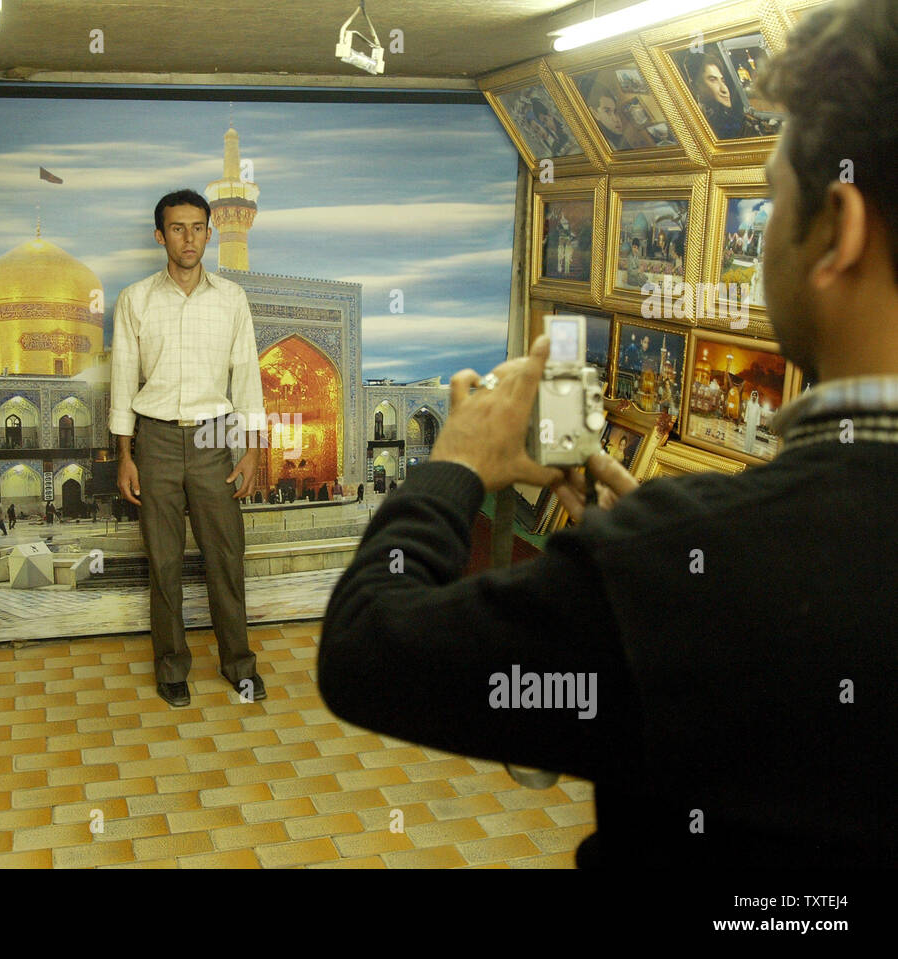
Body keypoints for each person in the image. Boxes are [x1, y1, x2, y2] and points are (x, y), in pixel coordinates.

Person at [319, 0, 895, 868]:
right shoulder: (692, 557)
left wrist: (458, 463)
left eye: (769, 196)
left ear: (838, 229)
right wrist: (676, 538)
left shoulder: (682, 567)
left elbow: (370, 647)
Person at [111, 189, 268, 708]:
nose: (189, 238)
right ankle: (172, 667)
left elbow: (246, 376)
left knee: (225, 556)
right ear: (161, 235)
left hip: (214, 434)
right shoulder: (136, 299)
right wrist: (126, 456)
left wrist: (250, 451)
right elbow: (122, 381)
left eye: (198, 228)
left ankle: (238, 663)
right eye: (178, 228)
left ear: (211, 231)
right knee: (164, 561)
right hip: (154, 436)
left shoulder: (231, 299)